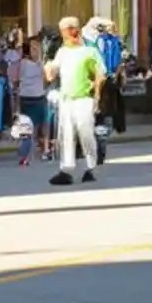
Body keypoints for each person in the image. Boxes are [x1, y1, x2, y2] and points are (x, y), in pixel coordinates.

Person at [46, 17, 106, 186]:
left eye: (66, 31)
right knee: (66, 134)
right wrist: (48, 67)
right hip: (66, 98)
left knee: (85, 132)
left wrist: (97, 96)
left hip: (84, 98)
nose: (64, 35)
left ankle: (91, 167)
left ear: (74, 31)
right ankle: (66, 170)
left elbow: (100, 75)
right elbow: (52, 75)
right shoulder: (62, 52)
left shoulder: (89, 51)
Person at [16, 38, 52, 161]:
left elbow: (46, 79)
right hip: (28, 97)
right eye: (32, 48)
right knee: (29, 126)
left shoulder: (41, 64)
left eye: (36, 48)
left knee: (42, 125)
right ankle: (26, 153)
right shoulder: (25, 63)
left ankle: (45, 149)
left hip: (37, 96)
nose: (35, 51)